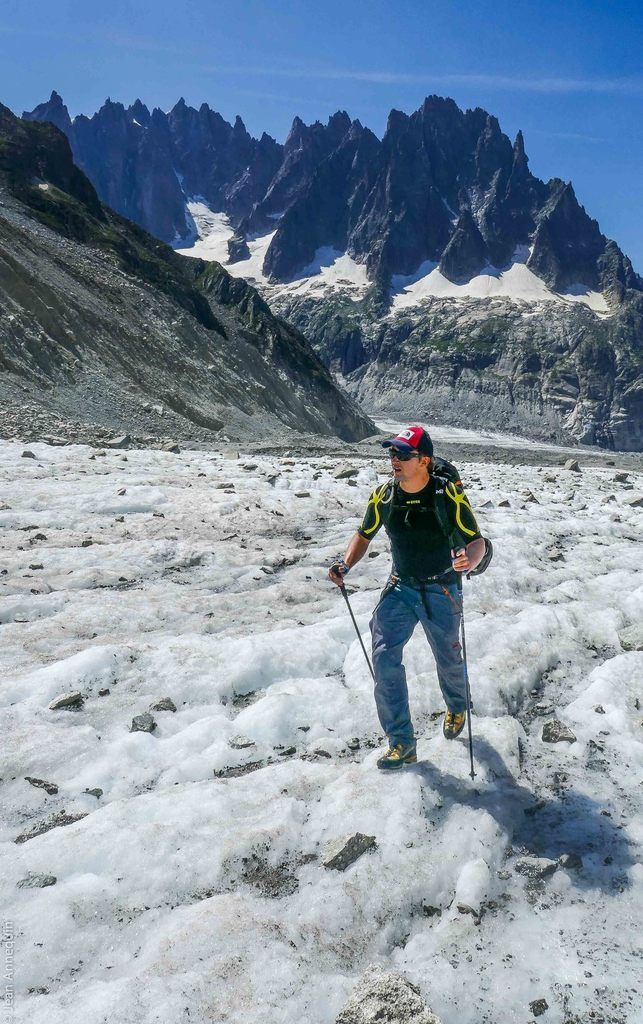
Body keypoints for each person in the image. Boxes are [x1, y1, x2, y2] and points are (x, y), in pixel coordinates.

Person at [328, 425, 485, 770]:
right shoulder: (384, 496)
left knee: (448, 658)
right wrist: (345, 564)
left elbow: (476, 541)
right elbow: (363, 534)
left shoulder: (446, 495)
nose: (394, 460)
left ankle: (457, 705)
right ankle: (401, 742)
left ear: (424, 460)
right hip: (400, 586)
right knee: (384, 658)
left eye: (402, 454)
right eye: (392, 453)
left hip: (441, 588)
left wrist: (469, 561)